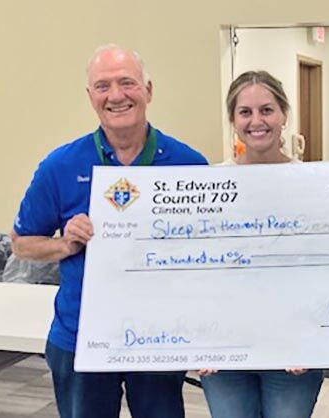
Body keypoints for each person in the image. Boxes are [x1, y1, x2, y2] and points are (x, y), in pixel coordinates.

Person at [11, 44, 207, 418]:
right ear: (91, 97)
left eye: (126, 82)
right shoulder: (60, 165)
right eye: (103, 86)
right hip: (81, 337)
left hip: (157, 337)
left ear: (148, 90)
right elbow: (21, 244)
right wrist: (65, 245)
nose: (116, 96)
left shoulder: (189, 164)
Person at [199, 70, 324, 418]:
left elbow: (326, 267)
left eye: (267, 110)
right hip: (225, 352)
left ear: (284, 114)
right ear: (233, 120)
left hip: (293, 350)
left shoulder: (314, 183)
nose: (257, 121)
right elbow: (194, 269)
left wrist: (316, 337)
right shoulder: (208, 184)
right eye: (245, 112)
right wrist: (195, 339)